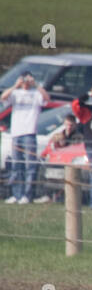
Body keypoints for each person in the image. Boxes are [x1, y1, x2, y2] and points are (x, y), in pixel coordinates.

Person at [2, 71, 51, 204]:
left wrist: (35, 84)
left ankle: (28, 195)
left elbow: (46, 99)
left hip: (29, 133)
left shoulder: (36, 94)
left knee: (30, 165)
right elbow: (3, 97)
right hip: (16, 133)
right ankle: (17, 194)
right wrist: (15, 85)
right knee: (16, 165)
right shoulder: (15, 93)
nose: (25, 82)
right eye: (24, 79)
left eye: (27, 79)